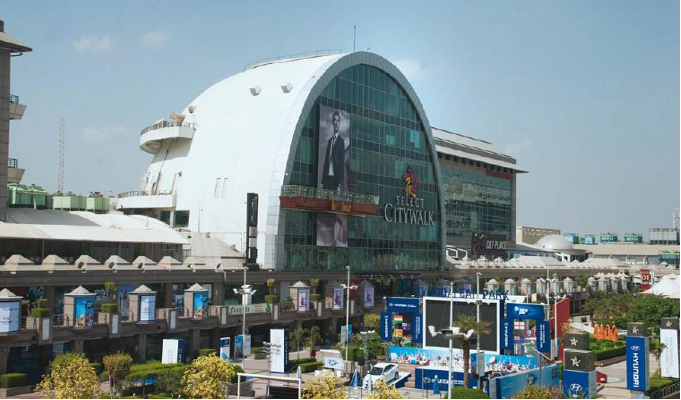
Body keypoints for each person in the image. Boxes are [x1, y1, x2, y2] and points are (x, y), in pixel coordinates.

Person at [321, 111, 345, 191]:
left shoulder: (341, 141)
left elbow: (341, 163)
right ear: (332, 122)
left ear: (339, 123)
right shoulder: (329, 141)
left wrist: (339, 183)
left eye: (338, 121)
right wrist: (322, 181)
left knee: (334, 198)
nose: (336, 123)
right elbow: (326, 162)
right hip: (327, 178)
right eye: (335, 120)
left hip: (335, 179)